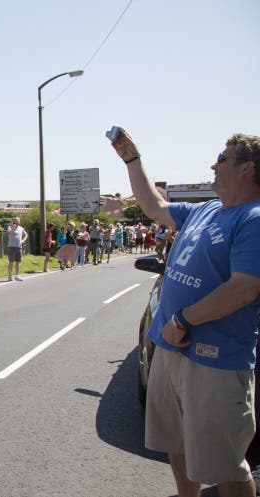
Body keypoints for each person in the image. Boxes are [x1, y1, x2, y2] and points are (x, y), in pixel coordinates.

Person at [111, 129, 260, 496]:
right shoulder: (207, 209)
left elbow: (244, 287)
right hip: (171, 350)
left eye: (223, 159)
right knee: (176, 443)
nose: (214, 164)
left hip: (216, 360)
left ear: (248, 169)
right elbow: (155, 207)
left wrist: (183, 319)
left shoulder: (253, 219)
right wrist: (133, 160)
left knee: (226, 464)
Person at [6, 217, 27, 281]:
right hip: (11, 247)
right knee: (11, 262)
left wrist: (23, 240)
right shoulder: (10, 227)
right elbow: (9, 233)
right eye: (15, 221)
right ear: (13, 221)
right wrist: (13, 228)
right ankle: (9, 276)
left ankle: (17, 275)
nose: (17, 222)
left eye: (18, 221)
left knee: (18, 262)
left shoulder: (21, 228)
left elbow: (26, 235)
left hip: (19, 247)